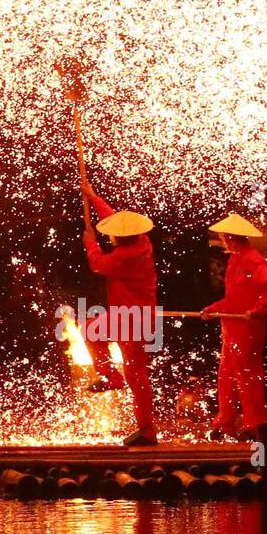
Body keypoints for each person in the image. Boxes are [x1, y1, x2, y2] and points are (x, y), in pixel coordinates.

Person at [81, 181, 158, 448]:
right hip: (135, 316)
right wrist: (93, 197)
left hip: (130, 319)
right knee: (91, 329)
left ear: (118, 239)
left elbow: (98, 264)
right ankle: (111, 377)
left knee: (136, 375)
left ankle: (146, 429)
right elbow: (112, 218)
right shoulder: (142, 242)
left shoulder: (122, 258)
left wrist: (90, 242)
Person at [201, 213, 267, 441]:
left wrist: (257, 308)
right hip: (232, 325)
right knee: (226, 375)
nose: (222, 241)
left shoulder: (252, 259)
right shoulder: (236, 259)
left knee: (247, 375)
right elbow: (234, 297)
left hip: (246, 328)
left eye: (223, 237)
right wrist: (213, 308)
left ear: (231, 237)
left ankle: (254, 424)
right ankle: (225, 422)